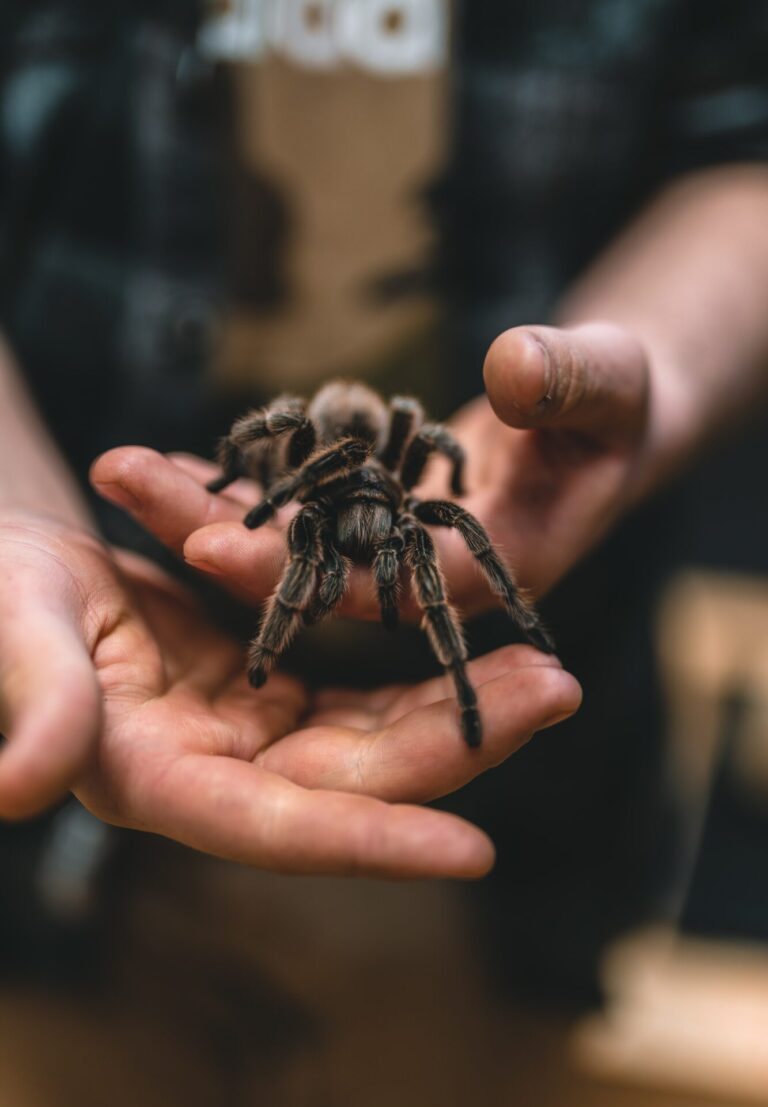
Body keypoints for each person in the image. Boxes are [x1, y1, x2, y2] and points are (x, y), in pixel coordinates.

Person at [1, 0, 767, 898]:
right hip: (118, 610)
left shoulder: (405, 501)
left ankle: (471, 687)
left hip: (551, 795)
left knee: (448, 551)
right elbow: (291, 455)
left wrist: (657, 370)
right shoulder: (316, 485)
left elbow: (742, 144)